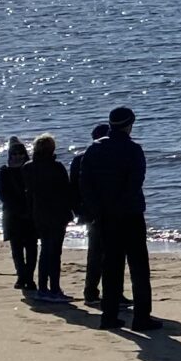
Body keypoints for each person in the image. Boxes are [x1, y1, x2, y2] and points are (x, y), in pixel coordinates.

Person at [79, 106, 154, 331]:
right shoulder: (133, 150)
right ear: (129, 125)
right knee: (139, 267)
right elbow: (135, 183)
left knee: (111, 266)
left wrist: (97, 209)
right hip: (129, 214)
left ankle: (108, 317)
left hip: (104, 216)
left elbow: (85, 183)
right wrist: (121, 205)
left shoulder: (94, 149)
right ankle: (141, 318)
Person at [25, 133, 75, 299]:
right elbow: (67, 191)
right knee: (54, 253)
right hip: (57, 214)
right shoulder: (56, 167)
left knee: (46, 250)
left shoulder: (28, 167)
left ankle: (43, 288)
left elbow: (28, 193)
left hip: (39, 214)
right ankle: (53, 288)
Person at [69, 122, 111, 306]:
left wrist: (78, 211)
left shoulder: (80, 158)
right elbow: (75, 188)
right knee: (102, 253)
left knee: (99, 252)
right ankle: (92, 291)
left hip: (89, 212)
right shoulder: (90, 158)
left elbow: (72, 188)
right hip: (97, 211)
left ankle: (95, 291)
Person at [0, 138, 36, 290]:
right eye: (14, 153)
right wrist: (18, 209)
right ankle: (21, 276)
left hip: (30, 214)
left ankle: (29, 278)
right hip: (12, 215)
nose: (18, 156)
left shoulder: (31, 169)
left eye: (21, 153)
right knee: (17, 248)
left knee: (31, 248)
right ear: (9, 155)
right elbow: (2, 193)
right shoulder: (4, 171)